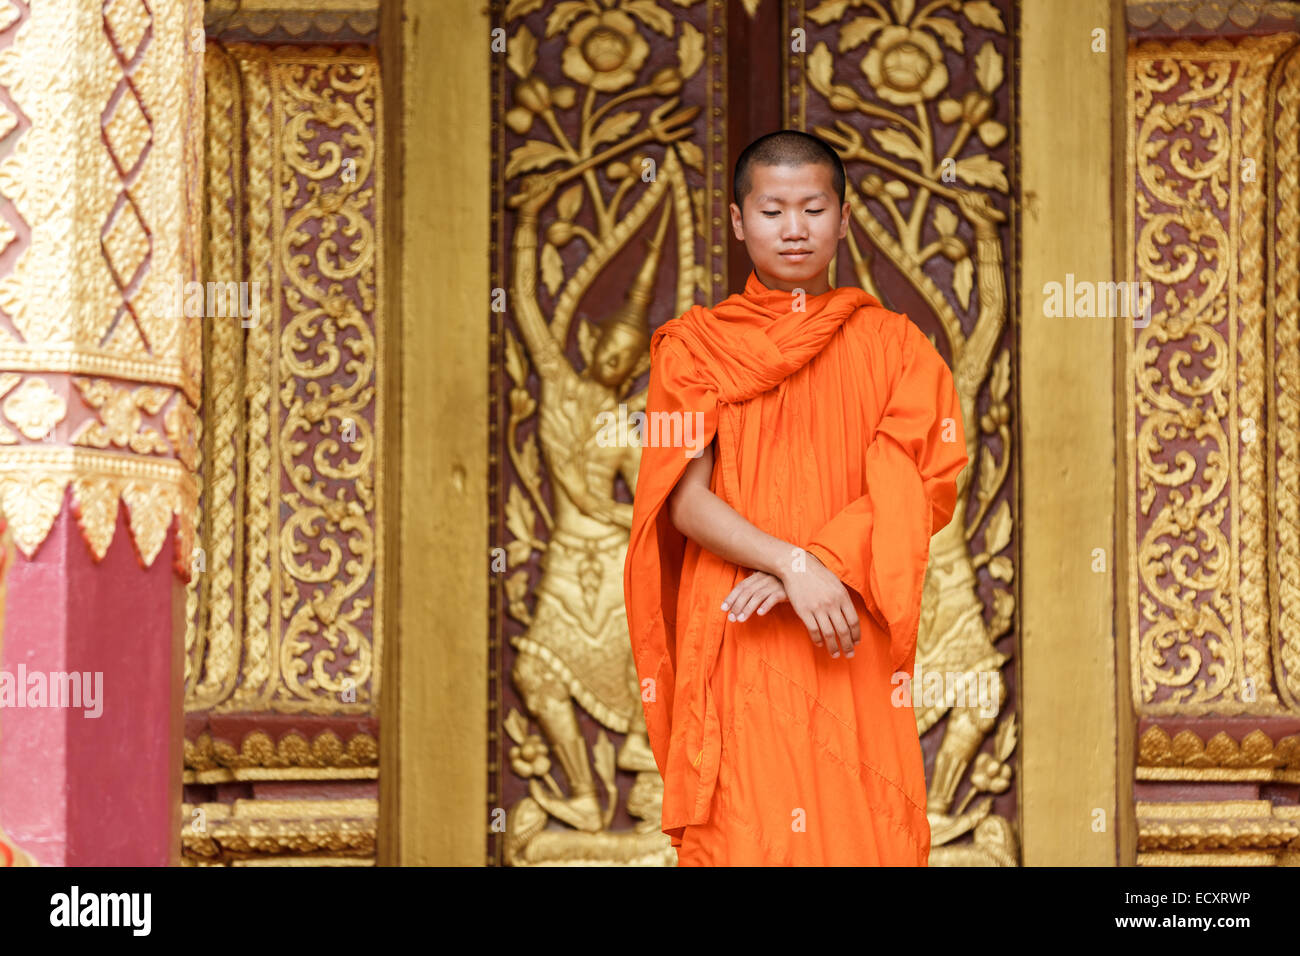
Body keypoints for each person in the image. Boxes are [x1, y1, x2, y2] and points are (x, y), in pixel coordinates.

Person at [622, 129, 969, 865]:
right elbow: (682, 501)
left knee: (859, 829)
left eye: (813, 208)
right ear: (739, 220)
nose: (794, 228)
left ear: (843, 220)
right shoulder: (692, 348)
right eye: (773, 210)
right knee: (749, 833)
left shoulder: (897, 346)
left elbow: (920, 479)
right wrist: (792, 565)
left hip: (845, 626)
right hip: (739, 629)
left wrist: (822, 564)